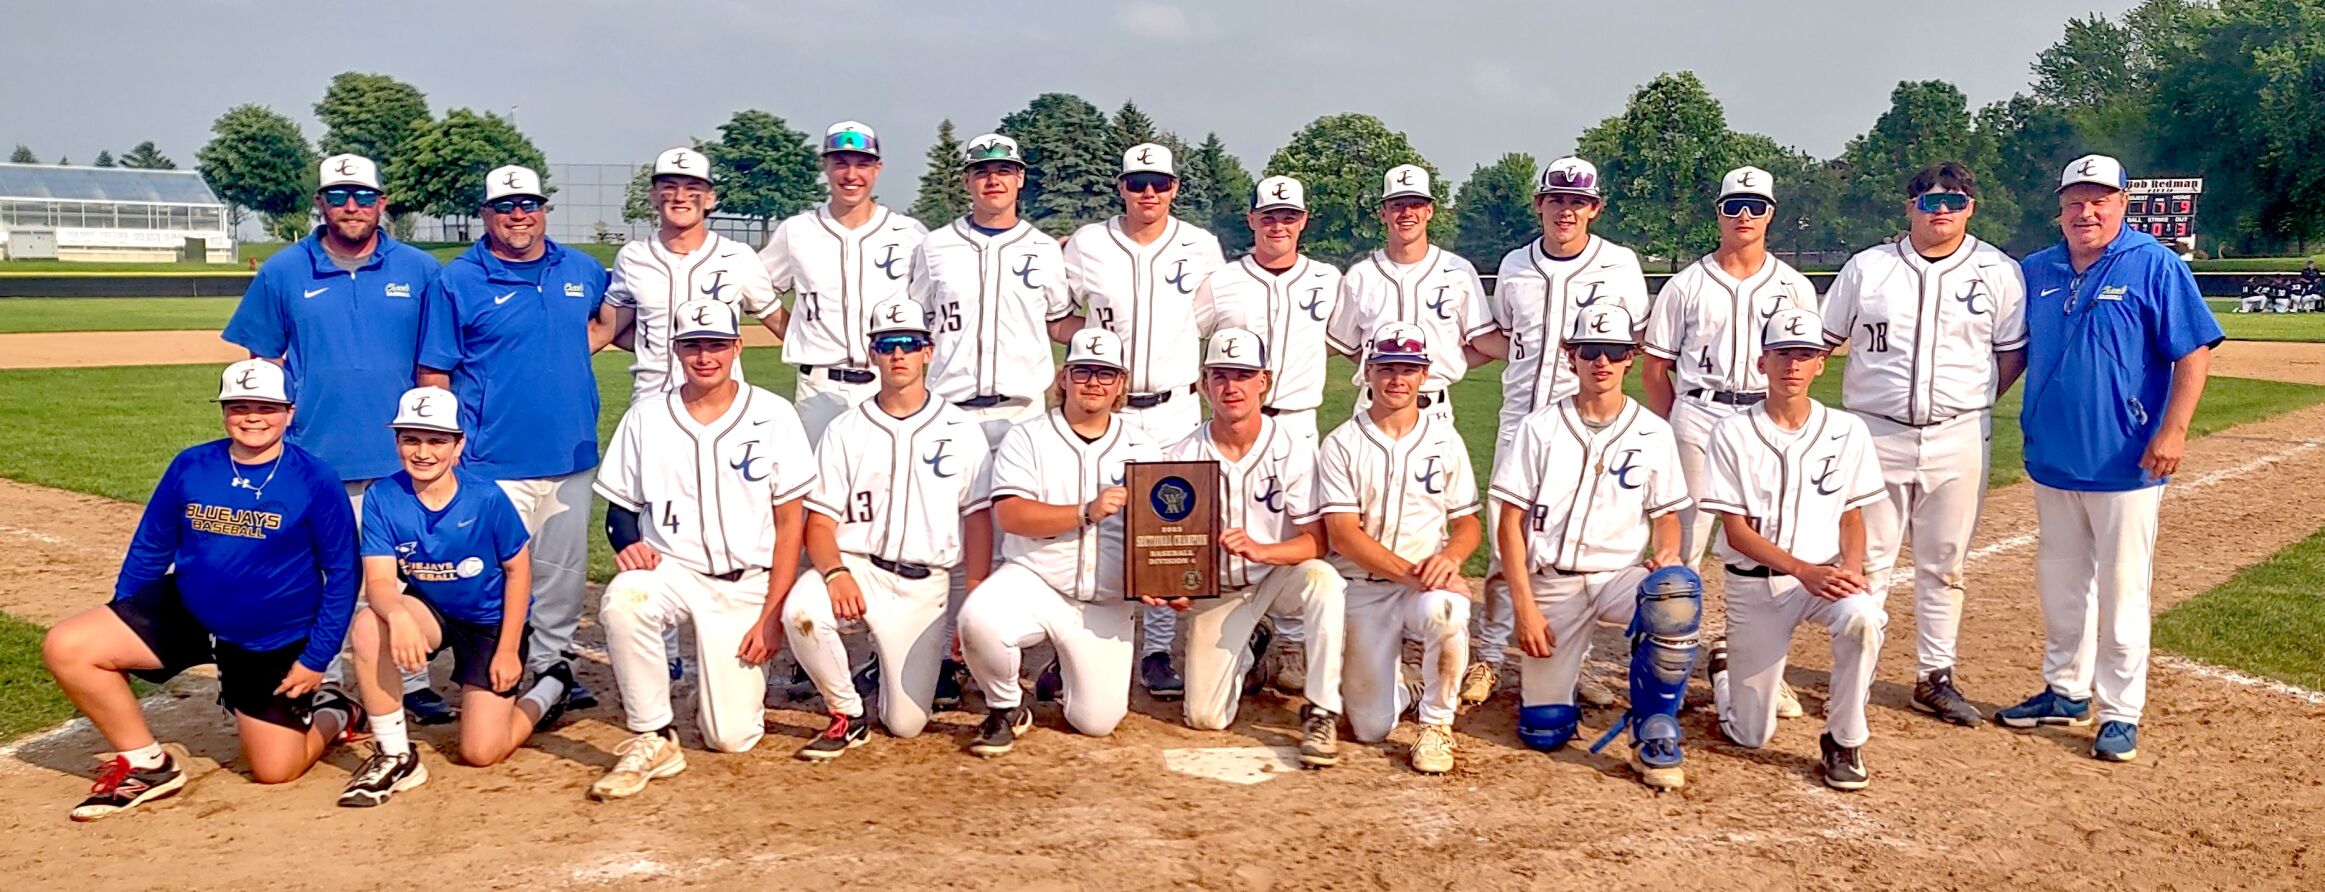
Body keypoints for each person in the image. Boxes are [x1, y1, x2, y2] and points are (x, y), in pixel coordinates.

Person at [42, 360, 360, 821]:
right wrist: (127, 611)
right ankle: (148, 765)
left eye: (266, 407)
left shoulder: (314, 477)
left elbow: (343, 572)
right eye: (239, 406)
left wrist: (316, 659)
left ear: (290, 413)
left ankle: (335, 713)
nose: (252, 417)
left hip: (270, 633)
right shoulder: (192, 464)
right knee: (69, 646)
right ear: (224, 412)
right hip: (191, 610)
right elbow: (152, 543)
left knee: (276, 770)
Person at [1997, 155, 2222, 764]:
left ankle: (2120, 710)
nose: (2086, 212)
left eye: (2100, 200)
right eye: (2075, 201)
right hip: (2053, 459)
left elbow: (2194, 353)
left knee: (2123, 590)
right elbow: (2013, 352)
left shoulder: (2155, 264)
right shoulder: (2037, 269)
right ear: (2060, 208)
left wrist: (2172, 431)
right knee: (2062, 585)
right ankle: (2065, 691)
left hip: (2127, 464)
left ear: (2122, 204)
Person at [221, 153, 448, 722]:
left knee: (402, 574)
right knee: (331, 576)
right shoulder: (282, 271)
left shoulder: (420, 270)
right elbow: (263, 366)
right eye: (339, 196)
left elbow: (433, 366)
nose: (352, 206)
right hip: (316, 455)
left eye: (364, 196)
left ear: (382, 203)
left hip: (403, 458)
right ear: (320, 203)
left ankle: (412, 679)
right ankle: (340, 680)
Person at [1819, 161, 2027, 727]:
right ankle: (1854, 673)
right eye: (1930, 201)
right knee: (1869, 560)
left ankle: (1934, 676)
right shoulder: (1868, 267)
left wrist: (1973, 400)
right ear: (1909, 207)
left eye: (1954, 201)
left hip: (1958, 435)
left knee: (1945, 564)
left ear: (1971, 208)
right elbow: (1822, 342)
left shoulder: (1996, 270)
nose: (1941, 211)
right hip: (1874, 431)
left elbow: (2011, 354)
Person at [586, 299, 814, 799]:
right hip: (676, 569)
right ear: (677, 351)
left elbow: (790, 521)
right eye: (693, 345)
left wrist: (772, 615)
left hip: (746, 581)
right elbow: (620, 510)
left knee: (730, 738)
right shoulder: (647, 416)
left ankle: (712, 687)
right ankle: (653, 734)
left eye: (715, 344)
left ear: (736, 347)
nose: (704, 356)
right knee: (626, 599)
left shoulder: (773, 415)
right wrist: (627, 547)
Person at [416, 164, 610, 714]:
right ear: (486, 215)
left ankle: (552, 665)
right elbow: (434, 372)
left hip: (569, 454)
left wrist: (571, 354)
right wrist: (446, 449)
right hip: (489, 458)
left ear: (544, 209)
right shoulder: (458, 280)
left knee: (563, 575)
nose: (519, 216)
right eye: (505, 207)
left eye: (529, 204)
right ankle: (493, 661)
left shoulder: (581, 268)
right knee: (493, 572)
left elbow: (608, 323)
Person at [1464, 156, 1653, 709]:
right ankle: (1492, 655)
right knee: (1509, 538)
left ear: (1594, 208)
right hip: (1522, 418)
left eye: (1578, 201)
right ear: (1540, 205)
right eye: (1556, 199)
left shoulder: (1619, 265)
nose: (1566, 209)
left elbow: (1630, 341)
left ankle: (1580, 659)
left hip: (1590, 424)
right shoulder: (1515, 265)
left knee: (1583, 543)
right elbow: (1504, 338)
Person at [1491, 305, 1700, 791]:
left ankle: (1654, 726)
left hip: (1616, 578)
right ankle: (1560, 692)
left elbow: (1666, 517)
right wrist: (1523, 607)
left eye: (1614, 351)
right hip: (1552, 582)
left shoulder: (1653, 431)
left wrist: (1667, 551)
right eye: (1590, 350)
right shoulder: (1539, 427)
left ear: (1631, 358)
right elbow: (1509, 523)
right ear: (1571, 357)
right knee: (1544, 731)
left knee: (1675, 591)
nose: (1601, 362)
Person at [337, 387, 572, 807]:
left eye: (437, 440)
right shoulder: (382, 496)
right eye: (411, 438)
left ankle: (550, 689)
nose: (423, 452)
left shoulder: (485, 497)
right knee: (371, 624)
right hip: (433, 609)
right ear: (396, 442)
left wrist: (507, 651)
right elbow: (379, 580)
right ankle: (395, 755)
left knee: (481, 753)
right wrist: (399, 615)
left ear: (458, 445)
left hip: (490, 620)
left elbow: (518, 571)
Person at [782, 295, 994, 760]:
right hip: (860, 569)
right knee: (802, 610)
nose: (898, 354)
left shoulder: (960, 428)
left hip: (924, 587)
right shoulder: (845, 429)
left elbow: (978, 520)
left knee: (906, 724)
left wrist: (973, 595)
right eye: (887, 344)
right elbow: (819, 521)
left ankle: (882, 671)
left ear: (928, 351)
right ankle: (846, 711)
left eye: (909, 343)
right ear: (872, 352)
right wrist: (835, 573)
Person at [1061, 143, 1228, 701]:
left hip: (1175, 405)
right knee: (1096, 522)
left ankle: (1156, 650)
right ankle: (1076, 644)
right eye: (1137, 183)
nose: (1148, 193)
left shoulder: (1201, 246)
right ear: (1121, 187)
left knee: (1168, 529)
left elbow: (1209, 320)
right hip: (1105, 405)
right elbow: (1060, 315)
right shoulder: (1087, 244)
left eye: (1159, 182)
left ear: (1175, 187)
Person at [1699, 309, 1888, 791]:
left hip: (1820, 579)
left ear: (1821, 364)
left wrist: (1849, 566)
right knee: (1751, 734)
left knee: (1863, 617)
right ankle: (1725, 671)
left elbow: (1852, 514)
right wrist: (1805, 570)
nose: (1793, 366)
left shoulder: (1847, 431)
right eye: (1783, 354)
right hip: (1756, 584)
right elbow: (1736, 532)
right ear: (1762, 362)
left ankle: (1845, 738)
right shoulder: (1733, 432)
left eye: (1805, 355)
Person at [955, 329, 1158, 758]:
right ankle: (1006, 706)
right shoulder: (1028, 436)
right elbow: (1010, 514)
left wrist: (1165, 578)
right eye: (1083, 371)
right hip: (1037, 578)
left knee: (1096, 723)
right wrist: (1084, 511)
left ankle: (1064, 674)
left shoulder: (1144, 446)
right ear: (1064, 377)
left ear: (1121, 383)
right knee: (978, 620)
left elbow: (1160, 532)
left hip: (1105, 599)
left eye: (1106, 374)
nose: (1094, 382)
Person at [1160, 328, 1346, 767]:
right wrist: (1173, 584)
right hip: (1220, 590)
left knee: (1324, 581)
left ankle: (1321, 709)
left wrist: (1264, 551)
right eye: (1220, 375)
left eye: (1242, 375)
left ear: (1264, 380)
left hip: (1279, 574)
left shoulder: (1293, 448)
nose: (1231, 387)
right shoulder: (1179, 454)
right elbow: (1168, 543)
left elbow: (1317, 541)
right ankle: (1252, 647)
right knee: (1205, 717)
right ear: (1203, 384)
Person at [1189, 174, 1342, 695]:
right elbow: (1181, 332)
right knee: (1232, 519)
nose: (1279, 224)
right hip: (1234, 410)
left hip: (1297, 417)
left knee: (1297, 529)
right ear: (1251, 220)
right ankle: (1244, 622)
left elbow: (1353, 340)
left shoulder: (1328, 278)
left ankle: (1294, 644)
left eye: (1289, 216)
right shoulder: (1223, 280)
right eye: (1268, 215)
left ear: (1303, 221)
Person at [1317, 322, 1480, 775]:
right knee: (1370, 727)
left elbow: (1467, 522)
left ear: (1424, 375)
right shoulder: (1342, 443)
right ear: (1368, 372)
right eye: (1387, 367)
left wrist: (1450, 559)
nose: (1397, 378)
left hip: (1421, 587)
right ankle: (1406, 688)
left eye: (1408, 368)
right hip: (1363, 585)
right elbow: (1344, 536)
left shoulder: (1445, 438)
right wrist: (1419, 573)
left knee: (1448, 611)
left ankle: (1436, 724)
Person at [1639, 166, 1818, 567]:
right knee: (1686, 537)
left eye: (1755, 207)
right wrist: (1678, 422)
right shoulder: (1685, 285)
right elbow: (1654, 369)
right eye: (1735, 206)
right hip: (1700, 410)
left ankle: (1759, 626)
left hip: (1765, 415)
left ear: (1770, 213)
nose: (1744, 216)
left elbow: (1805, 361)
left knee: (1769, 530)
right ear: (1719, 212)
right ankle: (1676, 628)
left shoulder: (1794, 286)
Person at [759, 122, 931, 444]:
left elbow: (927, 310)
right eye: (840, 163)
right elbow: (756, 288)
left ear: (877, 169)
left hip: (888, 383)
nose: (851, 174)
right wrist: (793, 331)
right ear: (825, 165)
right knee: (818, 490)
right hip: (819, 390)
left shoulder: (910, 233)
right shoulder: (797, 231)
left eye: (862, 164)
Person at [911, 133, 1074, 449]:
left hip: (1023, 413)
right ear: (966, 181)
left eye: (1003, 170)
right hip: (949, 407)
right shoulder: (935, 246)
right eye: (982, 172)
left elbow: (1058, 322)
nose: (993, 180)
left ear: (1020, 178)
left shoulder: (1043, 248)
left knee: (1019, 499)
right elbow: (920, 323)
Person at [597, 146, 784, 404]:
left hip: (722, 407)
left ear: (710, 198)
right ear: (653, 195)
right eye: (670, 186)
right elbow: (606, 329)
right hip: (652, 403)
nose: (680, 197)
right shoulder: (633, 258)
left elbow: (781, 324)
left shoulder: (737, 257)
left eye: (692, 188)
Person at [1325, 164, 1494, 425]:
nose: (1406, 213)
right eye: (1397, 205)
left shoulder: (1457, 271)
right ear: (1383, 213)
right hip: (1371, 407)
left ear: (1429, 211)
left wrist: (1450, 360)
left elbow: (1483, 341)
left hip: (1434, 409)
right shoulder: (1360, 275)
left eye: (1415, 204)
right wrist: (1380, 369)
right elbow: (1344, 342)